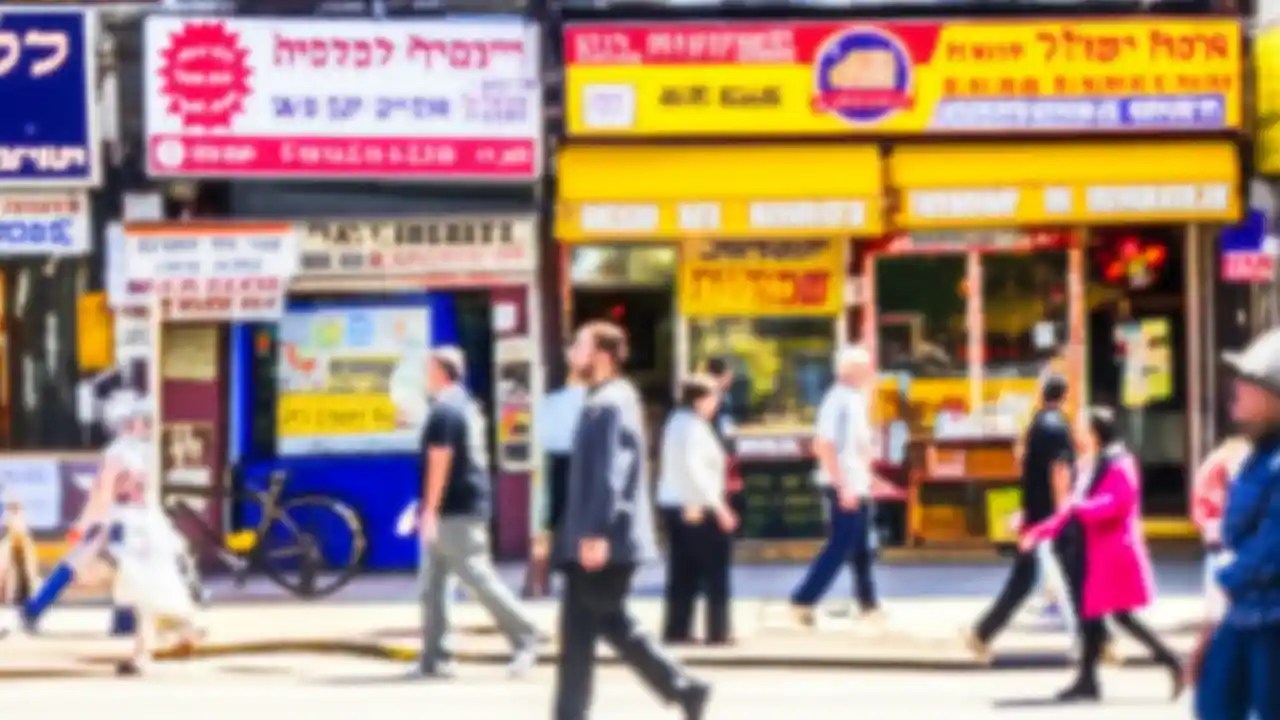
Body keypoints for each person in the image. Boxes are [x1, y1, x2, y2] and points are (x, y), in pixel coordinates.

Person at [553, 321, 710, 720]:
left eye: (579, 346)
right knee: (585, 631)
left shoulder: (609, 403)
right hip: (592, 539)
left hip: (602, 541)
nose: (571, 354)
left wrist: (596, 532)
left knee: (604, 624)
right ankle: (682, 689)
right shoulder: (605, 399)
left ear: (602, 356)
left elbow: (611, 473)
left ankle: (685, 688)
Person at [1020, 407, 1183, 701]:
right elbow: (1071, 510)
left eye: (1082, 428)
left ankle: (1171, 661)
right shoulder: (1093, 463)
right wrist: (1038, 531)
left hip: (1112, 553)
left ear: (1096, 433)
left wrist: (1077, 507)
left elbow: (1114, 504)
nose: (1076, 433)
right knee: (1094, 616)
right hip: (1095, 552)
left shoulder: (1119, 463)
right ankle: (1089, 680)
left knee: (1116, 615)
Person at [416, 347, 539, 679]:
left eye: (428, 369)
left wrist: (429, 510)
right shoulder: (466, 406)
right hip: (459, 507)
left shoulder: (445, 411)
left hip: (455, 510)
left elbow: (440, 461)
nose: (424, 376)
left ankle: (525, 634)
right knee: (433, 585)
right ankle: (434, 657)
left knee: (476, 577)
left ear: (441, 372)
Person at [1193, 328, 1280, 720]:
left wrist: (1224, 578)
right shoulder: (1255, 457)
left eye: (1250, 380)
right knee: (1215, 705)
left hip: (1270, 618)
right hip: (1243, 611)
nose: (1236, 389)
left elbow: (1270, 550)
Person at [967, 375, 1075, 660]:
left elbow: (1022, 461)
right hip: (1050, 518)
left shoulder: (1036, 424)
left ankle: (982, 633)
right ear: (1065, 396)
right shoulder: (1058, 427)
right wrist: (1064, 512)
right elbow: (1060, 472)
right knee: (1074, 575)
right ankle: (1099, 642)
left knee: (1026, 580)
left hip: (1035, 513)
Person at [791, 345, 881, 623]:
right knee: (841, 545)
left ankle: (868, 603)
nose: (869, 373)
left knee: (862, 548)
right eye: (864, 368)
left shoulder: (856, 399)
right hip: (844, 484)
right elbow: (824, 444)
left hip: (858, 483)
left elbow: (859, 445)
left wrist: (868, 476)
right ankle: (803, 599)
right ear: (849, 370)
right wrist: (842, 486)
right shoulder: (836, 400)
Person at [657, 375, 737, 646]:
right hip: (696, 505)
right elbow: (694, 470)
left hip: (679, 503)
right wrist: (719, 507)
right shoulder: (690, 426)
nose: (717, 403)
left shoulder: (678, 422)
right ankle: (718, 630)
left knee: (684, 571)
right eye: (714, 397)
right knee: (715, 570)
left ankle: (677, 629)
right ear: (699, 399)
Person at [526, 350, 589, 597]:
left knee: (548, 522)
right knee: (583, 519)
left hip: (553, 460)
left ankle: (540, 580)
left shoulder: (549, 402)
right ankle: (579, 571)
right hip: (582, 460)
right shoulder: (591, 400)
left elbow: (540, 434)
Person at [1190, 435, 1251, 624]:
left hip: (1216, 539)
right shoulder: (1230, 464)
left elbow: (1200, 510)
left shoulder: (1211, 467)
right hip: (1228, 539)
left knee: (1216, 605)